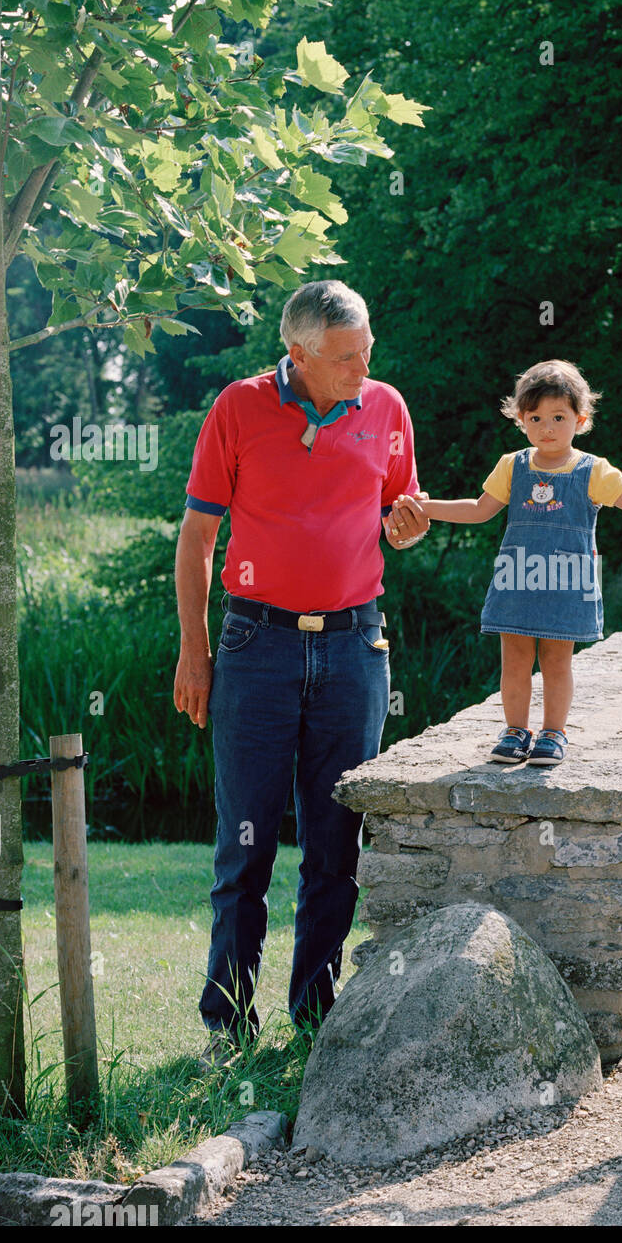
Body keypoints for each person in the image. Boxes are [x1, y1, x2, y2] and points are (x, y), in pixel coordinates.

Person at [172, 279, 430, 1070]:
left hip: (356, 645)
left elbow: (399, 512)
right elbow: (195, 543)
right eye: (347, 357)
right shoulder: (239, 409)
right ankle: (228, 1024)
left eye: (367, 351)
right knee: (244, 843)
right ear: (299, 354)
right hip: (257, 645)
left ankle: (314, 1019)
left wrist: (409, 526)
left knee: (335, 843)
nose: (364, 367)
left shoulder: (384, 408)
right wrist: (195, 649)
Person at [388, 359, 622, 765]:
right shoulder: (511, 465)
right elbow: (480, 510)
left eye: (558, 417)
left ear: (580, 419)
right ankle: (515, 730)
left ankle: (554, 733)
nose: (547, 428)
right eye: (535, 417)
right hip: (517, 578)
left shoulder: (594, 471)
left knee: (556, 661)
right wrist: (429, 509)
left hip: (567, 582)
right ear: (521, 419)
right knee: (514, 658)